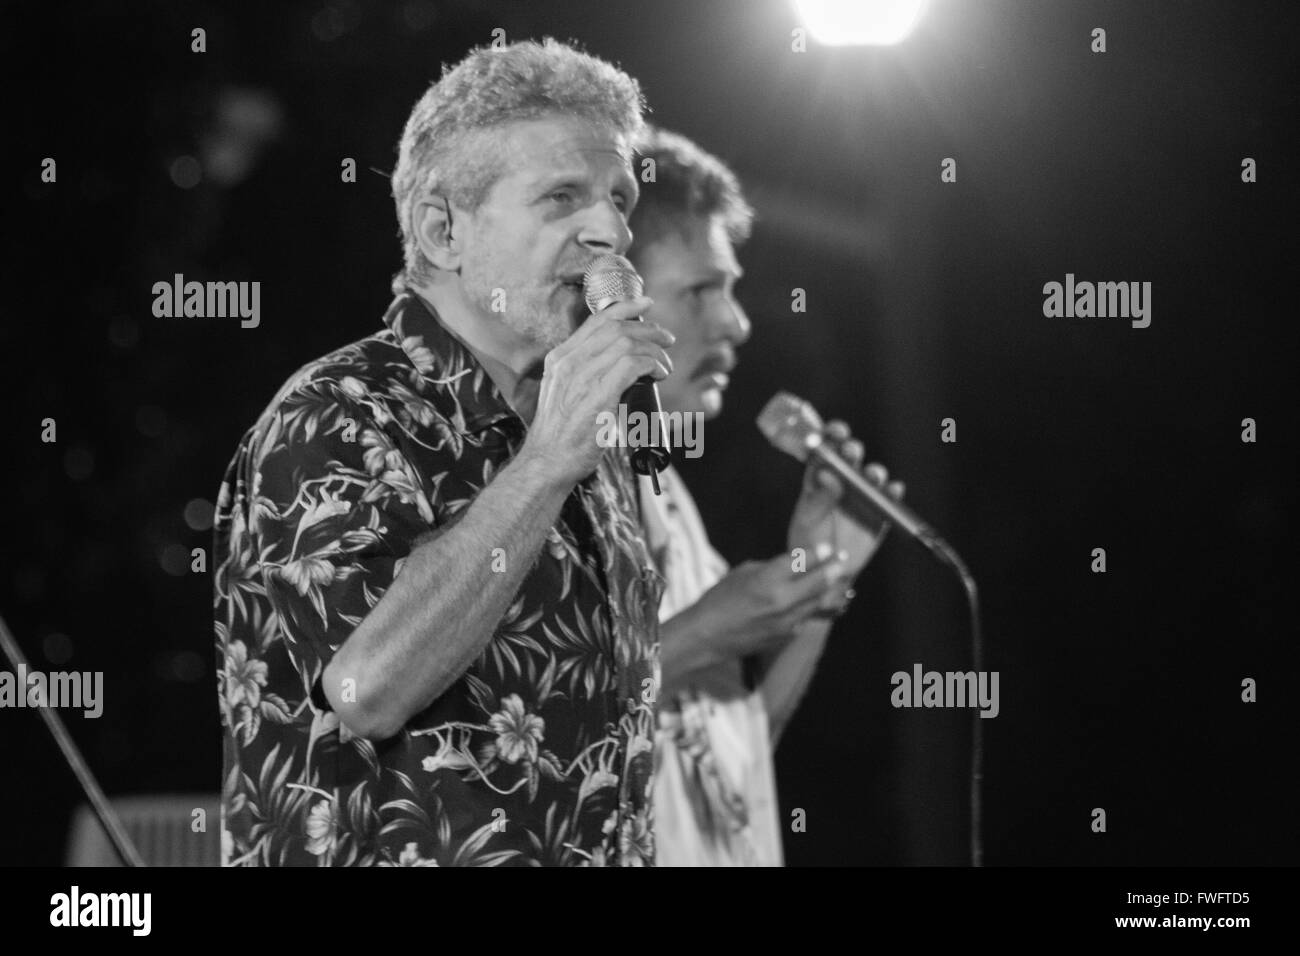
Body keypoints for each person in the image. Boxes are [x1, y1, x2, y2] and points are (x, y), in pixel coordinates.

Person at [214, 39, 678, 867]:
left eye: (619, 198)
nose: (611, 230)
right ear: (442, 230)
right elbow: (366, 691)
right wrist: (545, 464)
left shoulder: (589, 440)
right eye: (562, 197)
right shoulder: (335, 413)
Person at [627, 126, 906, 866]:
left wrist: (819, 576)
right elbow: (511, 742)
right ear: (607, 298)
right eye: (699, 290)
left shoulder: (668, 494)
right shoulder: (537, 491)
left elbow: (735, 760)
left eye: (731, 288)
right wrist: (699, 635)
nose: (736, 322)